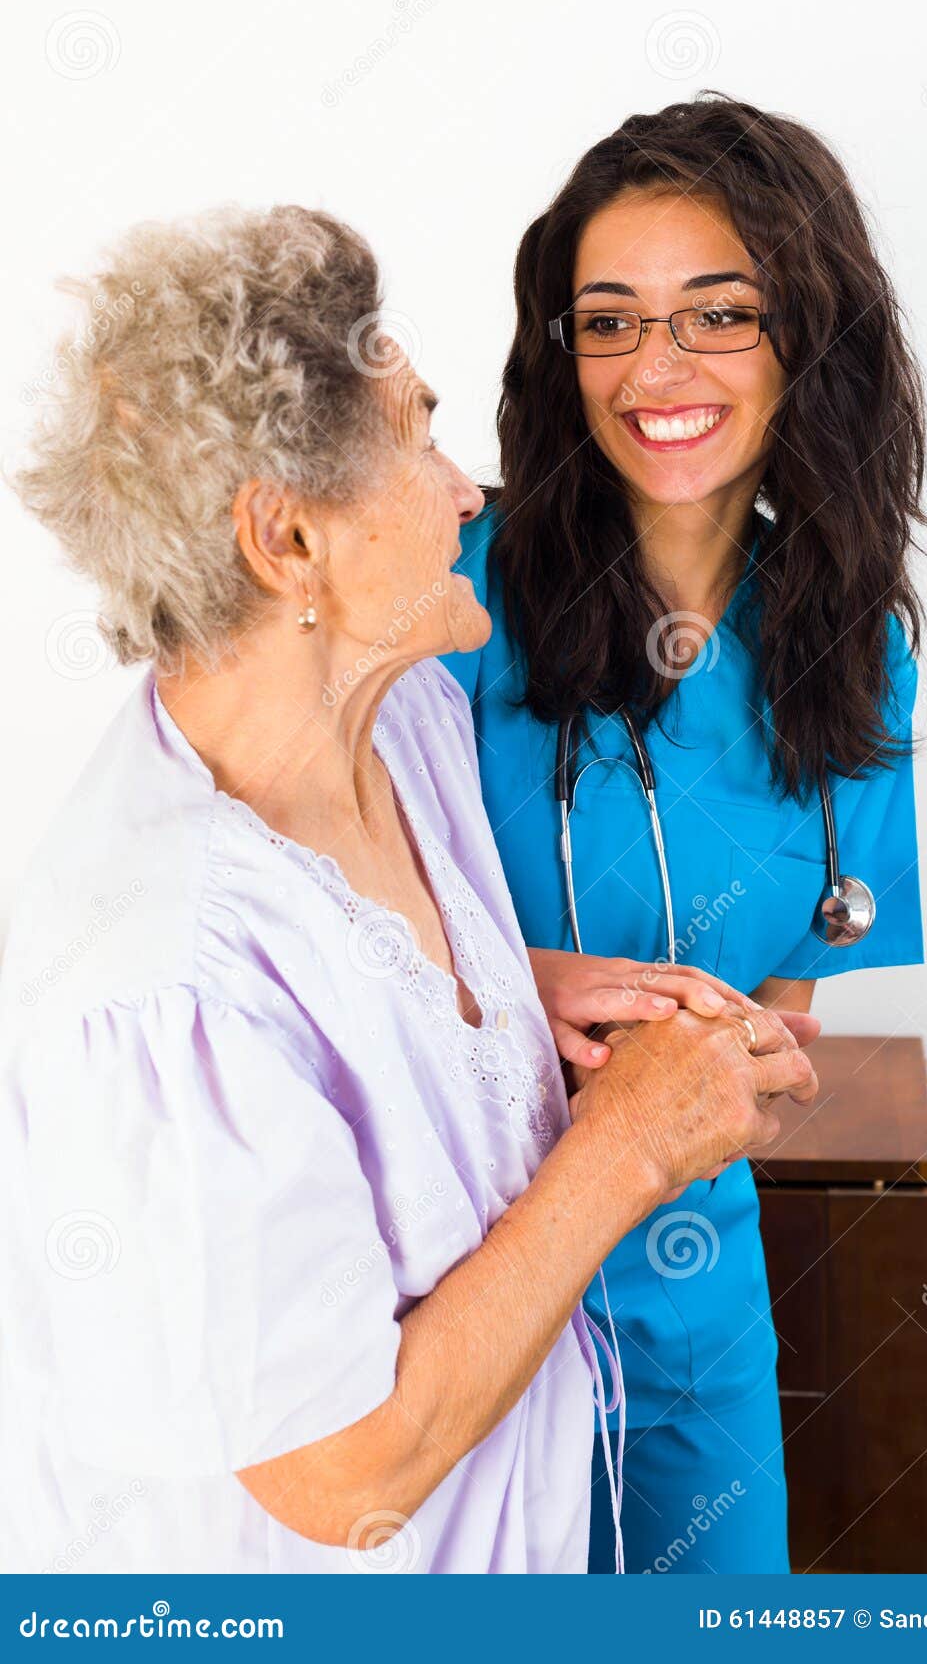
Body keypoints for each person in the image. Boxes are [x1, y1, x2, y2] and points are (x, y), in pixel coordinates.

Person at [1, 203, 820, 1575]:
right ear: (289, 543)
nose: (464, 488)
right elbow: (345, 1470)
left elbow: (367, 992)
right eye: (419, 435)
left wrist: (511, 993)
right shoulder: (163, 985)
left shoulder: (411, 727)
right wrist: (629, 1143)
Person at [441, 93, 927, 1573]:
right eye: (609, 320)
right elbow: (286, 951)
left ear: (809, 337)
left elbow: (790, 1015)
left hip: (690, 1296)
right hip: (445, 1292)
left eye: (719, 313)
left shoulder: (855, 647)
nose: (656, 367)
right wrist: (522, 986)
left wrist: (751, 1073)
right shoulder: (446, 599)